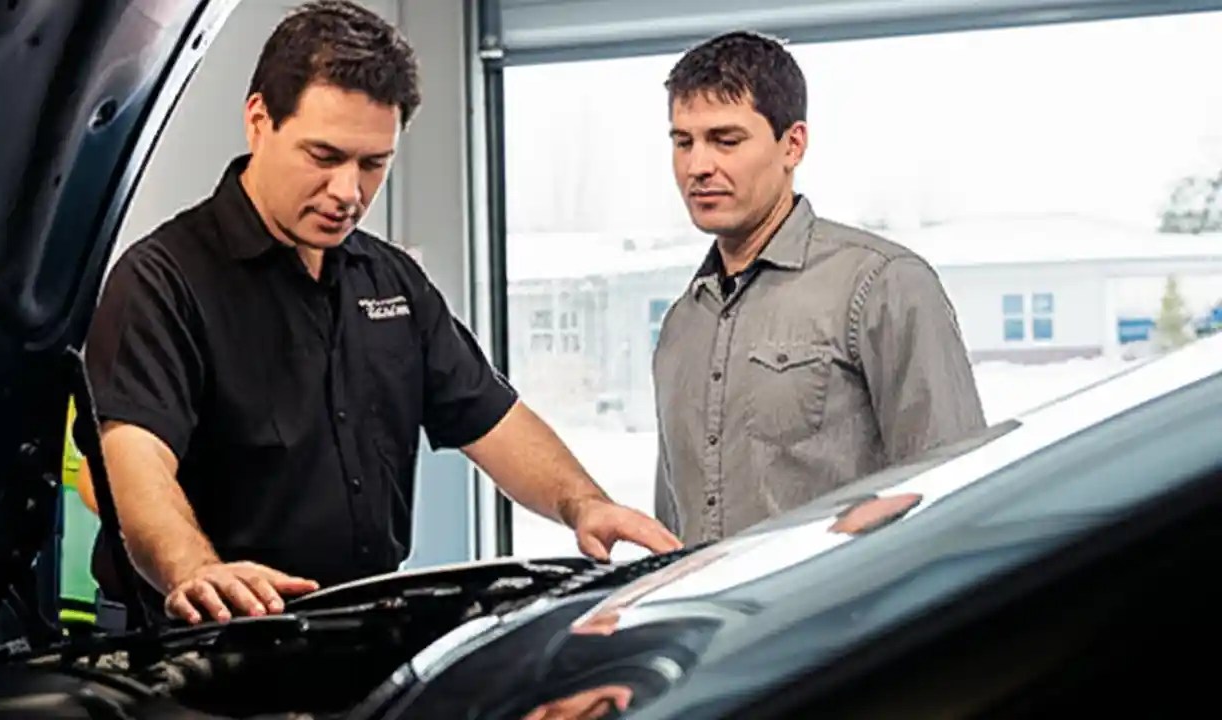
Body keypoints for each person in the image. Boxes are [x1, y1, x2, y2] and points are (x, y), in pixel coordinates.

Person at [85, 0, 680, 626]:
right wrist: (193, 570)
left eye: (373, 164)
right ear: (259, 121)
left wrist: (582, 503)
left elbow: (493, 418)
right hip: (205, 640)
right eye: (325, 156)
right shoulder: (162, 280)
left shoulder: (391, 279)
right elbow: (128, 463)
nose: (349, 193)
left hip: (358, 631)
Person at [652, 31, 987, 545]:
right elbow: (674, 526)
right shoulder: (682, 324)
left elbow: (954, 499)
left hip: (852, 622)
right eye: (683, 142)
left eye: (726, 140)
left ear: (793, 144)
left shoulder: (883, 285)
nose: (698, 167)